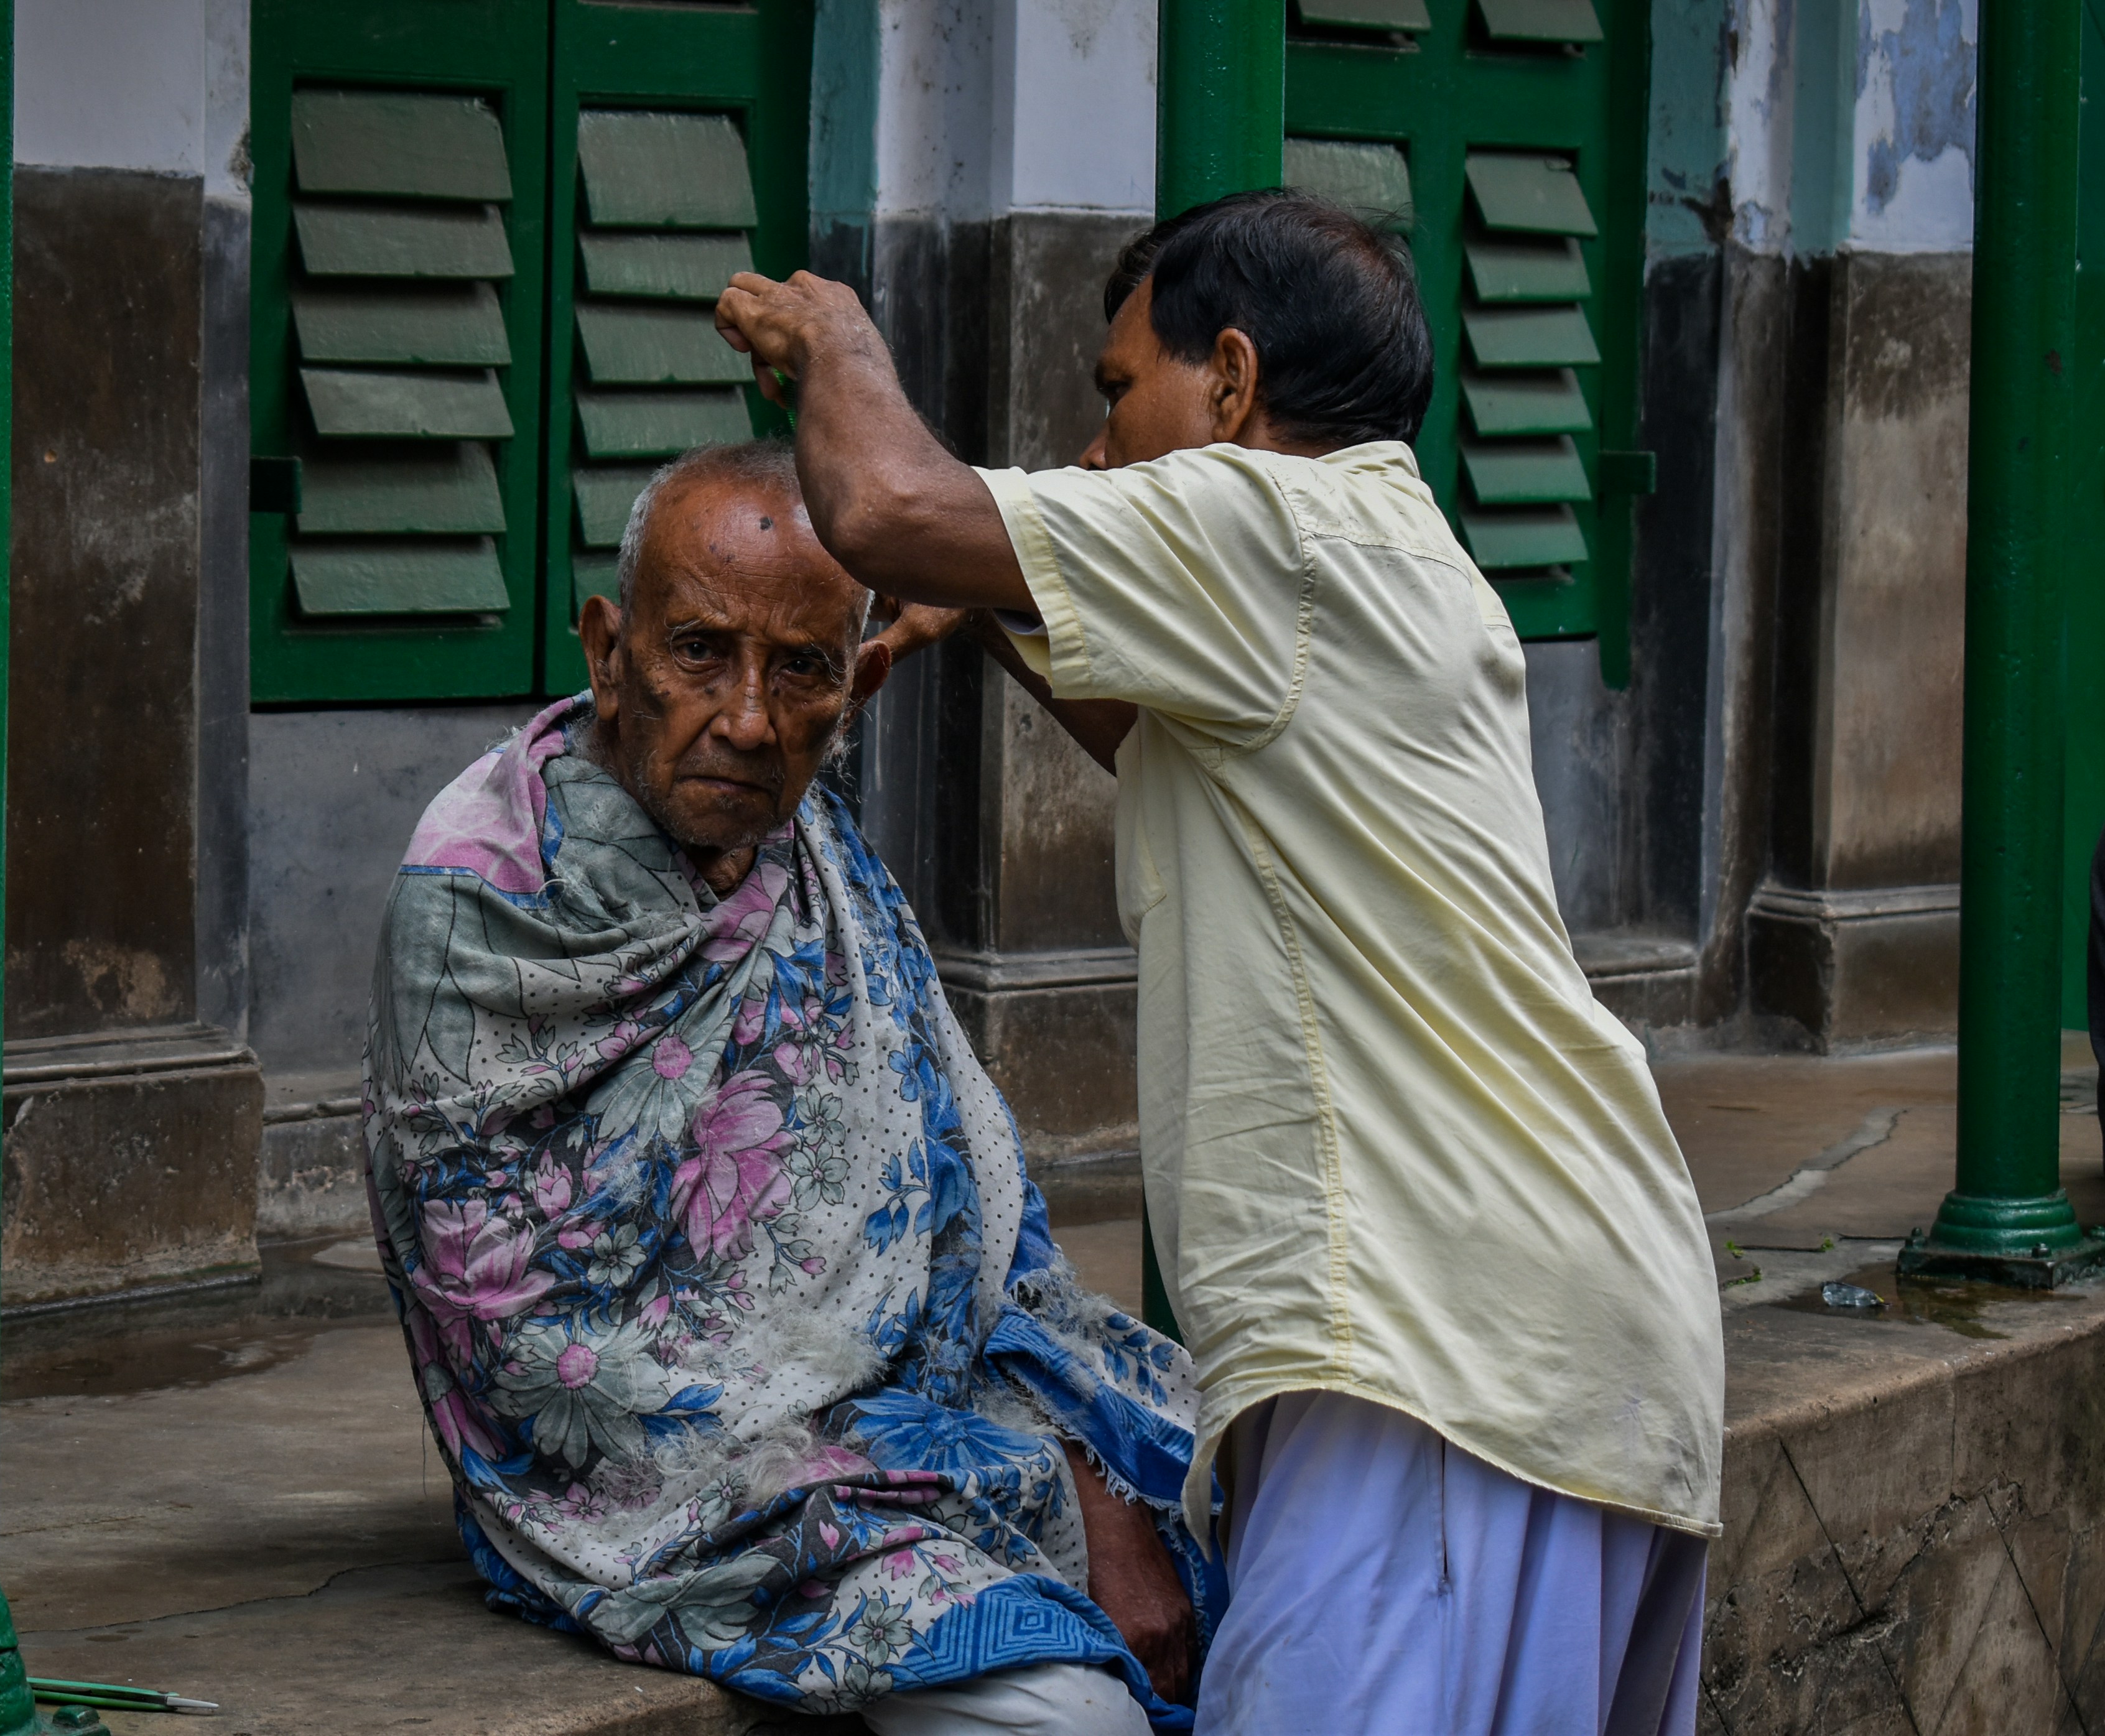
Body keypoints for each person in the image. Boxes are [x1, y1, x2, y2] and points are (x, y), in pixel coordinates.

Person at [712, 191, 1726, 1734]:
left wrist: (838, 343)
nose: (1101, 448)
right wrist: (994, 612)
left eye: (1123, 393)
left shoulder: (1278, 525)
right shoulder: (1389, 555)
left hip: (1433, 1356)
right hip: (1557, 1340)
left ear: (1235, 384)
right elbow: (1167, 746)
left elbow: (882, 506)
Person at [364, 442, 1225, 1733]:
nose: (752, 719)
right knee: (1068, 1717)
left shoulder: (815, 860)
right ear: (608, 651)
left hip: (913, 1425)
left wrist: (1083, 1466)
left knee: (1284, 1504)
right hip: (681, 1491)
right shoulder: (485, 903)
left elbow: (970, 1214)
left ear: (856, 686)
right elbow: (535, 1354)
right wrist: (1002, 1478)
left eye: (802, 670)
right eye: (699, 652)